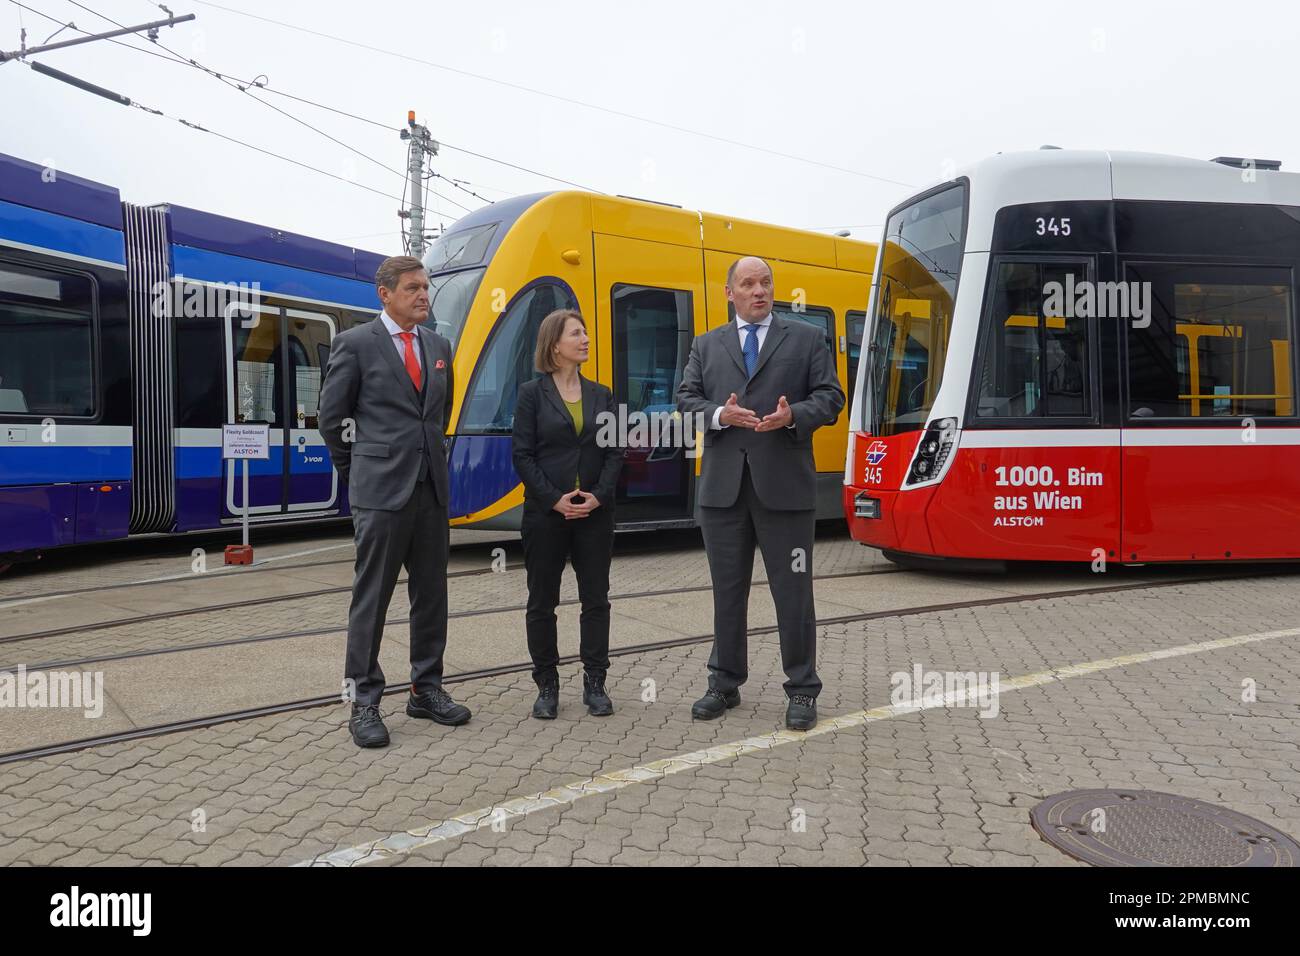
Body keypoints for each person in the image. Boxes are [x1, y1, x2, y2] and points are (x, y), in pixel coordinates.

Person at [675, 256, 845, 731]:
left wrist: (794, 416)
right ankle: (724, 682)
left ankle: (803, 690)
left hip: (785, 489)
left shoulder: (807, 338)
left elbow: (831, 397)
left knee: (793, 593)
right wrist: (718, 414)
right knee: (727, 593)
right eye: (748, 284)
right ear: (729, 293)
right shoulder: (707, 345)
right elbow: (684, 399)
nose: (759, 291)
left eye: (765, 282)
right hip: (723, 493)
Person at [319, 254, 471, 748]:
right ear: (384, 294)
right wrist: (358, 473)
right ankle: (363, 702)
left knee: (431, 596)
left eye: (425, 288)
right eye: (412, 288)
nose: (423, 295)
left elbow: (439, 417)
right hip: (380, 494)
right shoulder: (354, 344)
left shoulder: (439, 346)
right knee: (373, 600)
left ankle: (426, 691)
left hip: (430, 490)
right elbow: (331, 419)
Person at [511, 308, 624, 719]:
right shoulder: (530, 394)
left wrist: (597, 496)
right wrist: (553, 498)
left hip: (595, 514)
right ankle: (547, 685)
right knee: (542, 601)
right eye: (577, 333)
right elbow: (521, 455)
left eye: (585, 332)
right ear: (554, 343)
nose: (586, 339)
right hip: (546, 515)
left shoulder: (603, 394)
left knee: (596, 599)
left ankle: (596, 683)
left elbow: (615, 451)